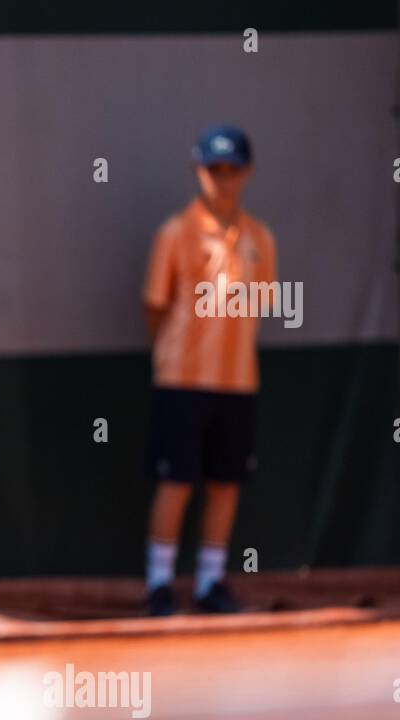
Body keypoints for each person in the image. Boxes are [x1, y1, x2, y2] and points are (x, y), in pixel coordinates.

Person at [141, 124, 277, 616]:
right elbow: (155, 307)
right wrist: (178, 353)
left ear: (247, 173)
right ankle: (159, 583)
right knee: (175, 482)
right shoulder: (175, 234)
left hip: (238, 382)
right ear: (198, 171)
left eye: (232, 169)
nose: (223, 179)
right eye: (214, 169)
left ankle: (210, 583)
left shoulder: (261, 238)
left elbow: (260, 305)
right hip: (181, 382)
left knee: (226, 483)